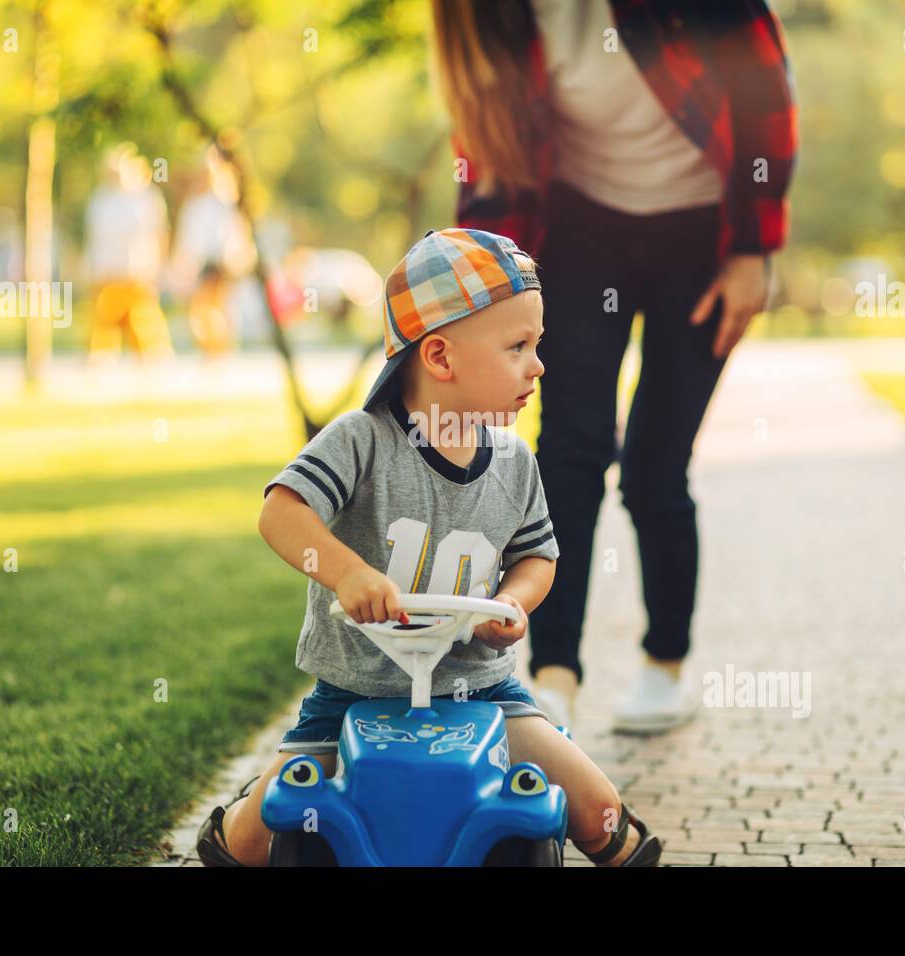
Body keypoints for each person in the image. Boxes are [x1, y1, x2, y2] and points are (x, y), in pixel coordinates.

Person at [197, 228, 663, 866]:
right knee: (253, 840)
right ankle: (238, 819)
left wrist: (512, 604)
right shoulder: (361, 442)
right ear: (440, 358)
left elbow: (538, 556)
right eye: (518, 346)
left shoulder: (514, 461)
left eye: (539, 344)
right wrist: (348, 574)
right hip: (355, 693)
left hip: (482, 690)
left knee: (594, 806)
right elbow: (282, 513)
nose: (539, 366)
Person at [430, 0, 797, 733]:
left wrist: (755, 248)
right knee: (570, 448)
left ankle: (665, 667)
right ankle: (554, 677)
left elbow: (764, 91)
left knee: (656, 467)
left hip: (702, 231)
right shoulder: (489, 17)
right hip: (582, 228)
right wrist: (482, 306)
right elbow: (495, 174)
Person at [84, 143, 174, 364]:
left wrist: (160, 264)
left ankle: (153, 356)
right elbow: (95, 236)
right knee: (104, 317)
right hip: (107, 269)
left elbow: (159, 233)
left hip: (138, 269)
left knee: (143, 318)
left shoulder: (147, 198)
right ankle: (102, 356)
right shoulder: (101, 198)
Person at [169, 144, 256, 359]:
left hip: (221, 263)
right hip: (203, 263)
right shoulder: (197, 204)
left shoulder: (228, 202)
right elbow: (191, 238)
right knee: (201, 311)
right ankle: (213, 350)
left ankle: (219, 351)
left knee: (215, 307)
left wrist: (236, 257)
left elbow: (236, 235)